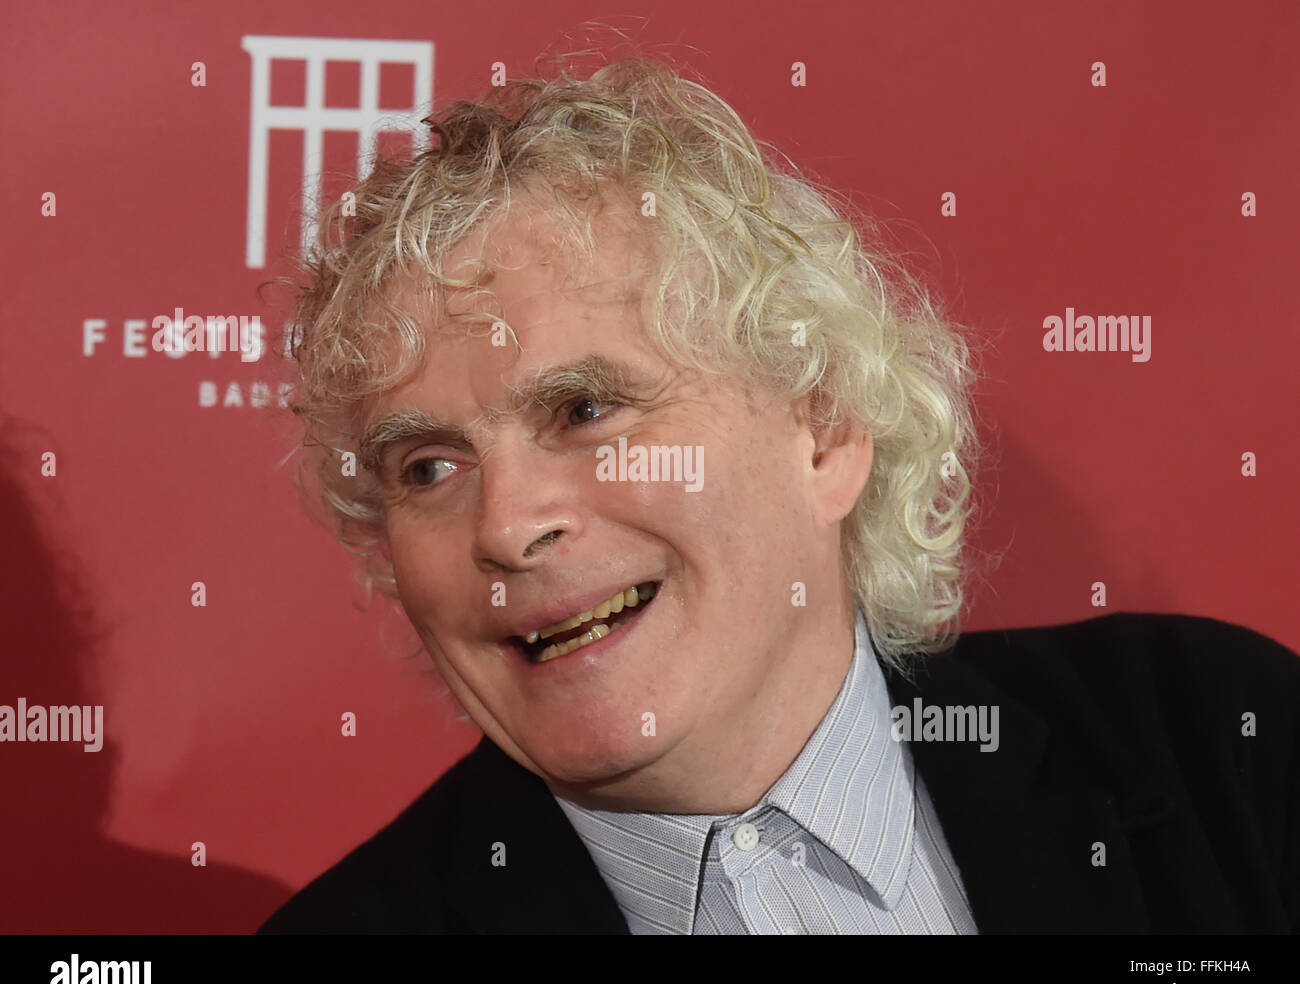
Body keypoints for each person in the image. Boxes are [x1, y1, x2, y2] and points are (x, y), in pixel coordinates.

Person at [259, 55, 1298, 934]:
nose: (509, 524)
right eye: (429, 468)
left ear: (825, 428)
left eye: (584, 410)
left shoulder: (1221, 745)